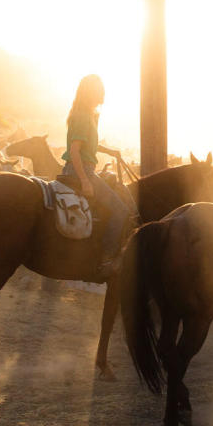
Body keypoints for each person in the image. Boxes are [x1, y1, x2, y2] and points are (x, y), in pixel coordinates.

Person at [59, 74, 130, 280]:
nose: (103, 94)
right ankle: (105, 260)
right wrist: (84, 181)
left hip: (82, 168)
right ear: (92, 92)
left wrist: (110, 151)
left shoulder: (87, 115)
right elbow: (74, 151)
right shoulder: (83, 116)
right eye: (100, 90)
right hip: (81, 170)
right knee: (121, 210)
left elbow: (88, 144)